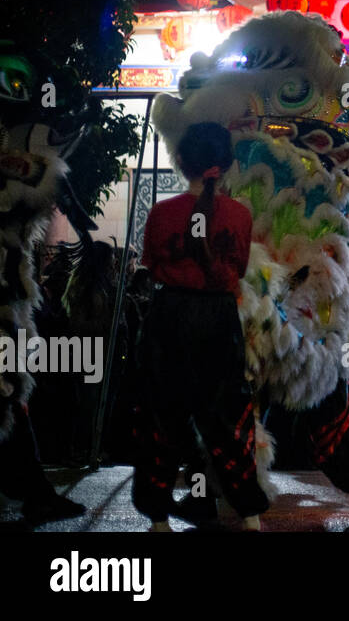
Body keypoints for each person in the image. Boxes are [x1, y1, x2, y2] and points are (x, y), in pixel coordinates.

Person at [132, 122, 270, 532]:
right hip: (218, 319)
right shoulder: (240, 215)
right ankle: (250, 514)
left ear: (181, 161)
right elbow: (239, 270)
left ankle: (158, 518)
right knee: (226, 418)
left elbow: (151, 265)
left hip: (169, 317)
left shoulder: (161, 213)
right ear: (225, 165)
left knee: (162, 417)